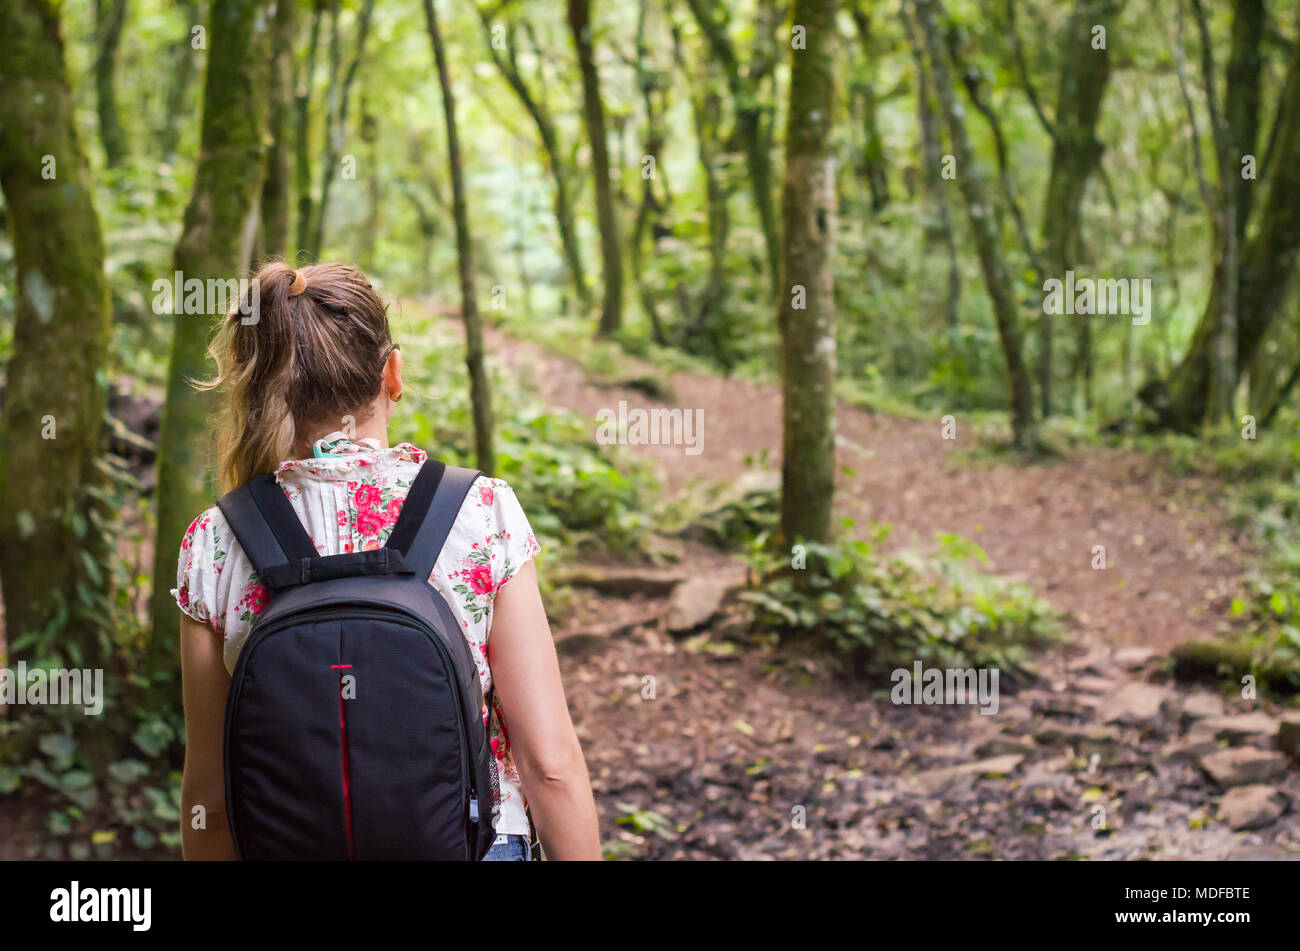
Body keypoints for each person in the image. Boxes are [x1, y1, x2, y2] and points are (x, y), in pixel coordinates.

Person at [174, 261, 601, 861]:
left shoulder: (216, 541)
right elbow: (550, 764)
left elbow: (210, 801)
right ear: (392, 373)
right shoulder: (480, 513)